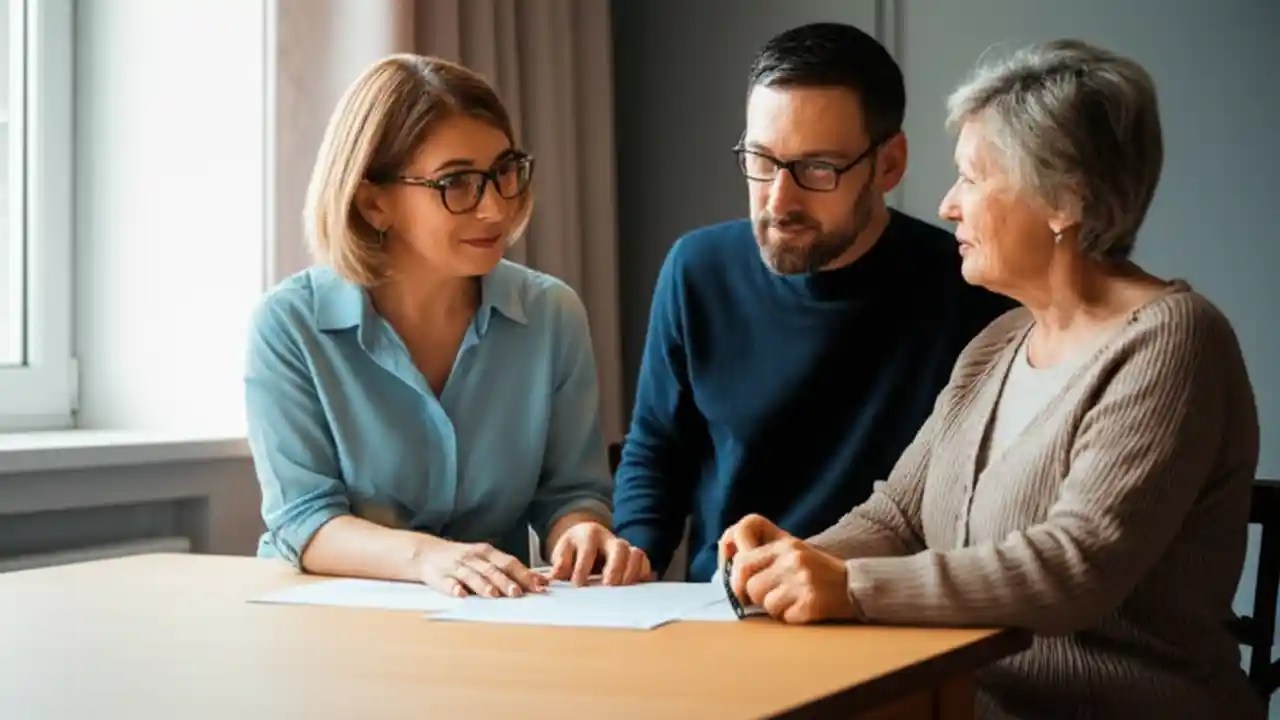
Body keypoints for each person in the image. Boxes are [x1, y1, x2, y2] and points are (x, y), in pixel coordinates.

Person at [720, 39, 1263, 719]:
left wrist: (849, 586)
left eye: (972, 178)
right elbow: (899, 515)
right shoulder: (999, 343)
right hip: (960, 703)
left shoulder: (1173, 341)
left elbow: (1074, 567)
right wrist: (788, 562)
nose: (948, 204)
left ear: (1066, 199)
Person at [612, 23, 1012, 582]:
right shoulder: (697, 270)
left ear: (889, 164)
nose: (779, 199)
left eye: (817, 168)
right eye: (761, 159)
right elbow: (658, 450)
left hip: (886, 611)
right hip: (723, 610)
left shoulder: (971, 291)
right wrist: (631, 562)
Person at [245, 54, 651, 598]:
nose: (495, 209)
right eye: (457, 183)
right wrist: (428, 558)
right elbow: (303, 519)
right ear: (373, 203)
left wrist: (583, 533)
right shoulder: (289, 324)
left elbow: (571, 491)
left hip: (489, 618)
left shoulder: (552, 314)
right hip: (326, 618)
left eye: (504, 172)